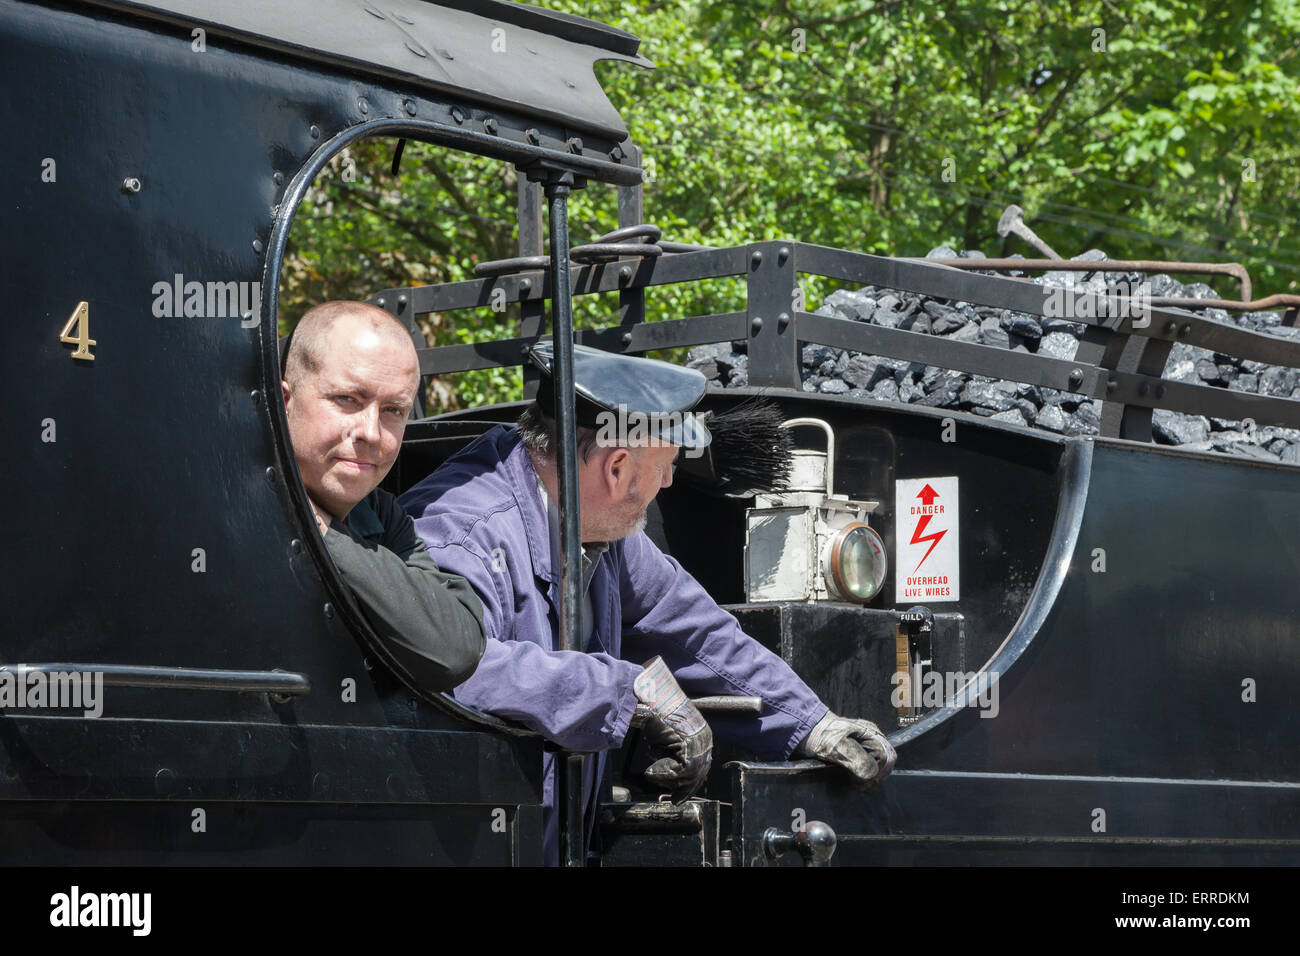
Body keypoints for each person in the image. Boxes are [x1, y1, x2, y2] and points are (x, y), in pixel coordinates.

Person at [398, 342, 895, 862]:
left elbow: (694, 630)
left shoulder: (600, 529)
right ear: (616, 469)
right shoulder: (462, 536)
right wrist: (623, 693)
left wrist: (809, 723)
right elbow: (458, 664)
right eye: (666, 466)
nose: (669, 480)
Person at [281, 300, 485, 692]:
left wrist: (320, 533)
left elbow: (453, 649)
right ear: (284, 401)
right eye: (347, 400)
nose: (371, 432)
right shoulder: (235, 504)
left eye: (393, 410)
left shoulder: (378, 512)